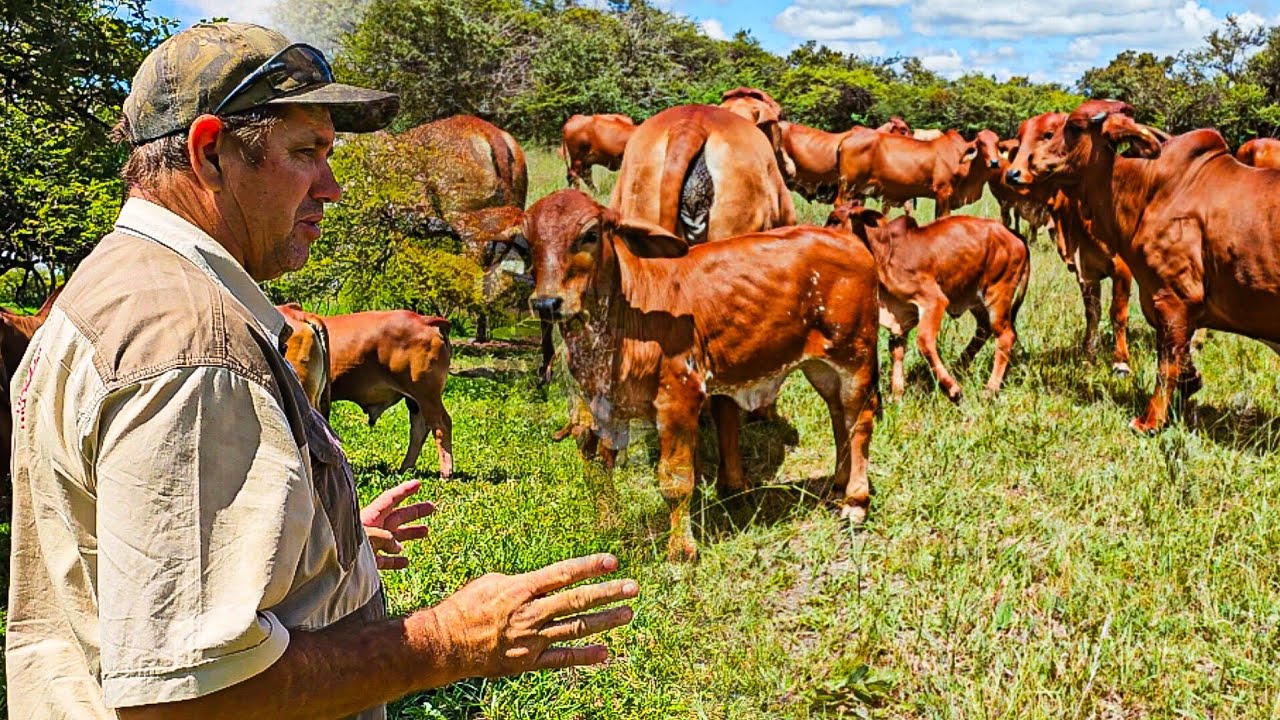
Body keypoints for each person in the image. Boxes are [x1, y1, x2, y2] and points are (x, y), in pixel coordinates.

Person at [4, 22, 637, 720]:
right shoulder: (192, 349)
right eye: (307, 153)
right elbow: (188, 698)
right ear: (211, 151)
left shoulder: (108, 285)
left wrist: (312, 545)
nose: (331, 188)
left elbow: (140, 551)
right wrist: (450, 640)